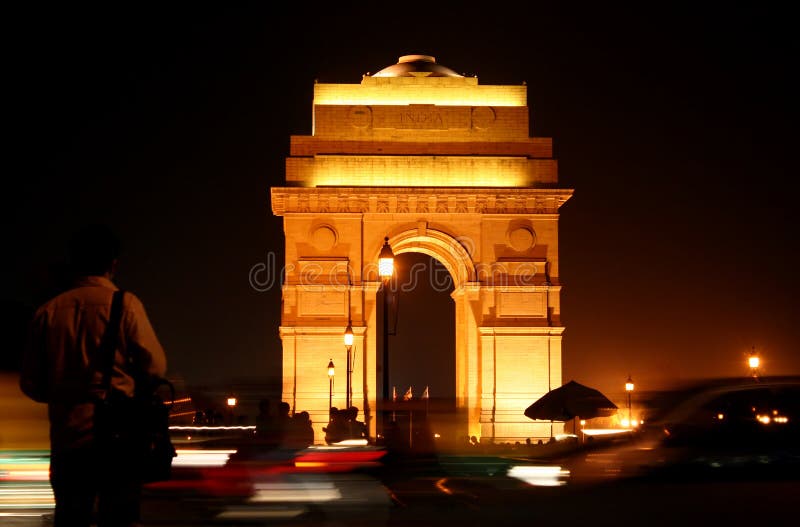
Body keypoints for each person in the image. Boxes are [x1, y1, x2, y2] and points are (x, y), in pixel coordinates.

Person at [20, 224, 167, 527]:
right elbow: (155, 367)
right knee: (120, 517)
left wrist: (66, 394)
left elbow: (31, 383)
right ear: (113, 264)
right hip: (118, 438)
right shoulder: (125, 305)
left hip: (67, 439)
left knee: (72, 517)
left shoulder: (48, 312)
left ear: (72, 263)